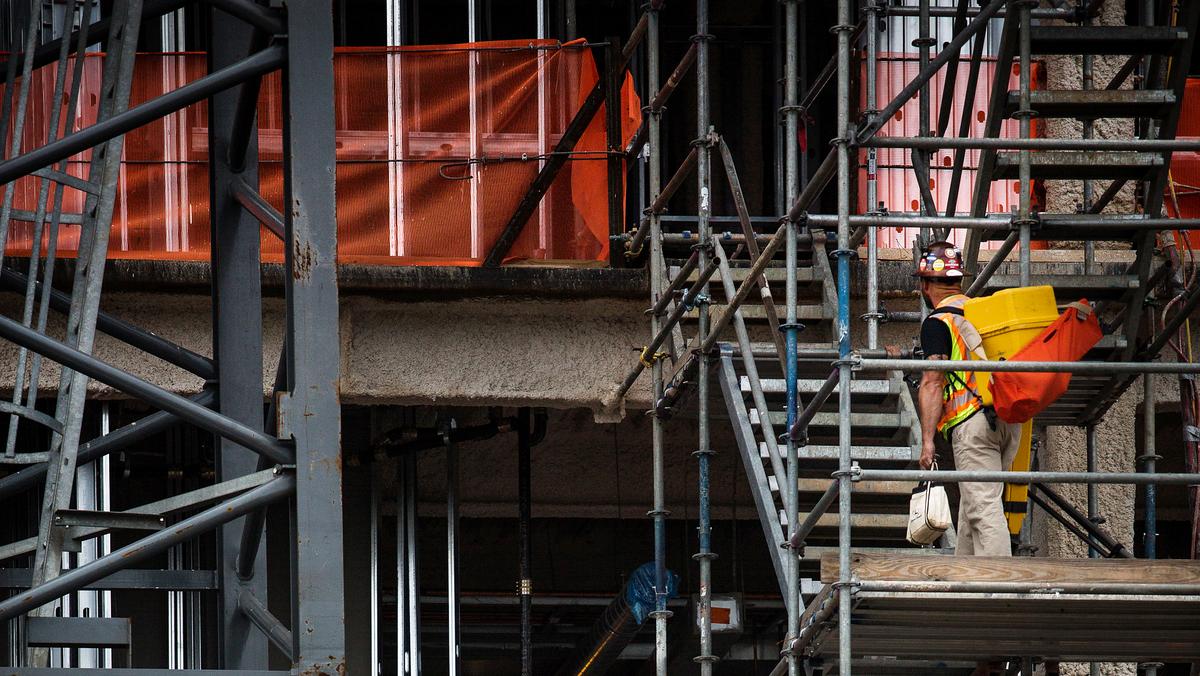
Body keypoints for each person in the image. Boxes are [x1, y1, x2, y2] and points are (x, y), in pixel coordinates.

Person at [915, 241, 1021, 558]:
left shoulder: (938, 322)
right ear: (958, 280)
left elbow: (933, 381)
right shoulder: (981, 311)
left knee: (983, 507)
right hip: (1006, 419)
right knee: (974, 504)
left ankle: (998, 588)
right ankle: (964, 577)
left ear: (925, 284)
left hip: (972, 422)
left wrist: (927, 440)